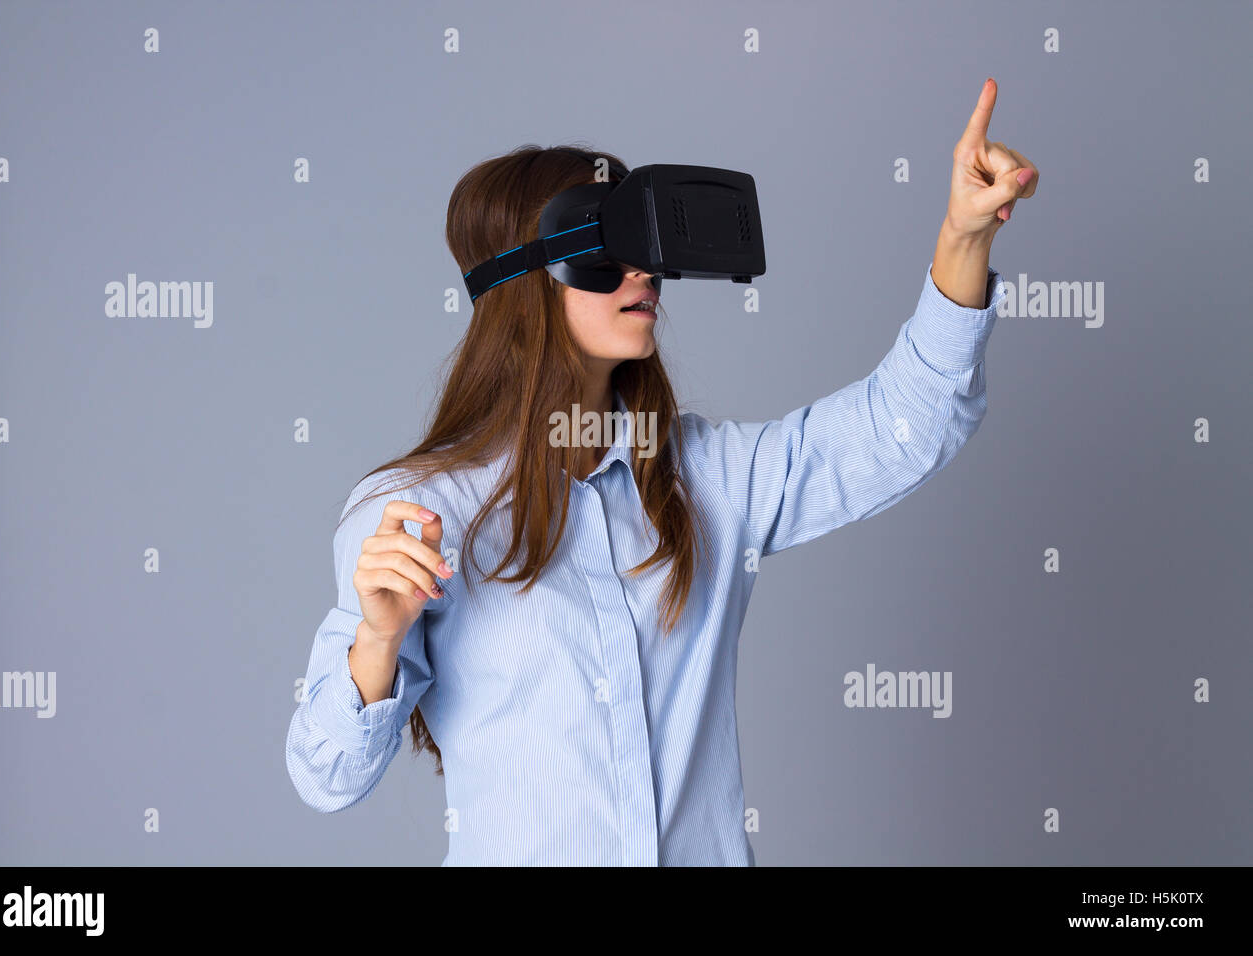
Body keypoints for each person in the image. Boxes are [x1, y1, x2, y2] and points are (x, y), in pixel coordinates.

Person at [285, 78, 1038, 866]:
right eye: (607, 245)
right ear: (528, 279)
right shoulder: (414, 513)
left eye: (646, 247)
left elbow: (903, 429)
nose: (644, 271)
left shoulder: (705, 478)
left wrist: (963, 239)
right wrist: (376, 640)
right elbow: (325, 774)